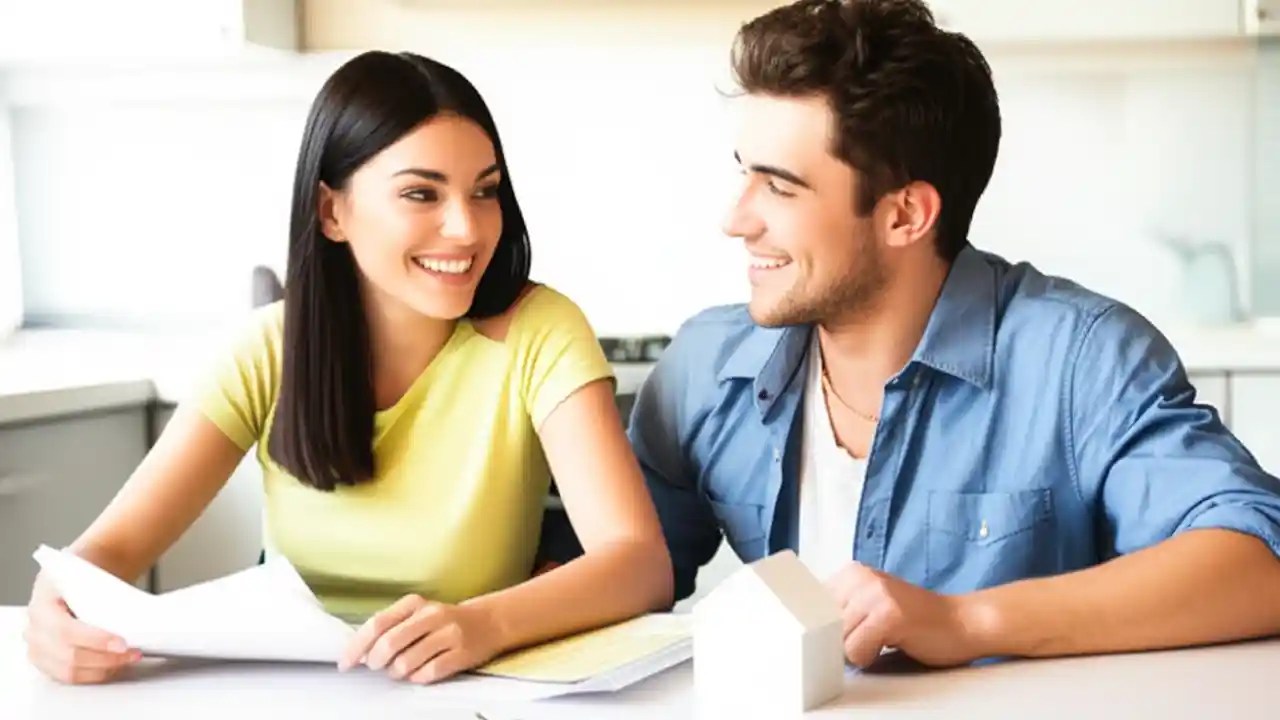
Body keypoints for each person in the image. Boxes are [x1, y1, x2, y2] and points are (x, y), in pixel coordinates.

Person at [629, 0, 1280, 668]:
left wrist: (967, 620)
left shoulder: (1081, 361)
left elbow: (1260, 561)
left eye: (780, 188)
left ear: (906, 214)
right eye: (745, 172)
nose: (736, 219)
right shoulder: (706, 369)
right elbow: (618, 571)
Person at [23, 50, 673, 685]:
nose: (468, 229)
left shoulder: (541, 332)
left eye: (485, 192)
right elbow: (102, 556)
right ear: (332, 212)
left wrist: (482, 624)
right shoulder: (263, 351)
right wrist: (54, 608)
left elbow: (641, 564)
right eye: (422, 193)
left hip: (466, 691)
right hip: (294, 694)